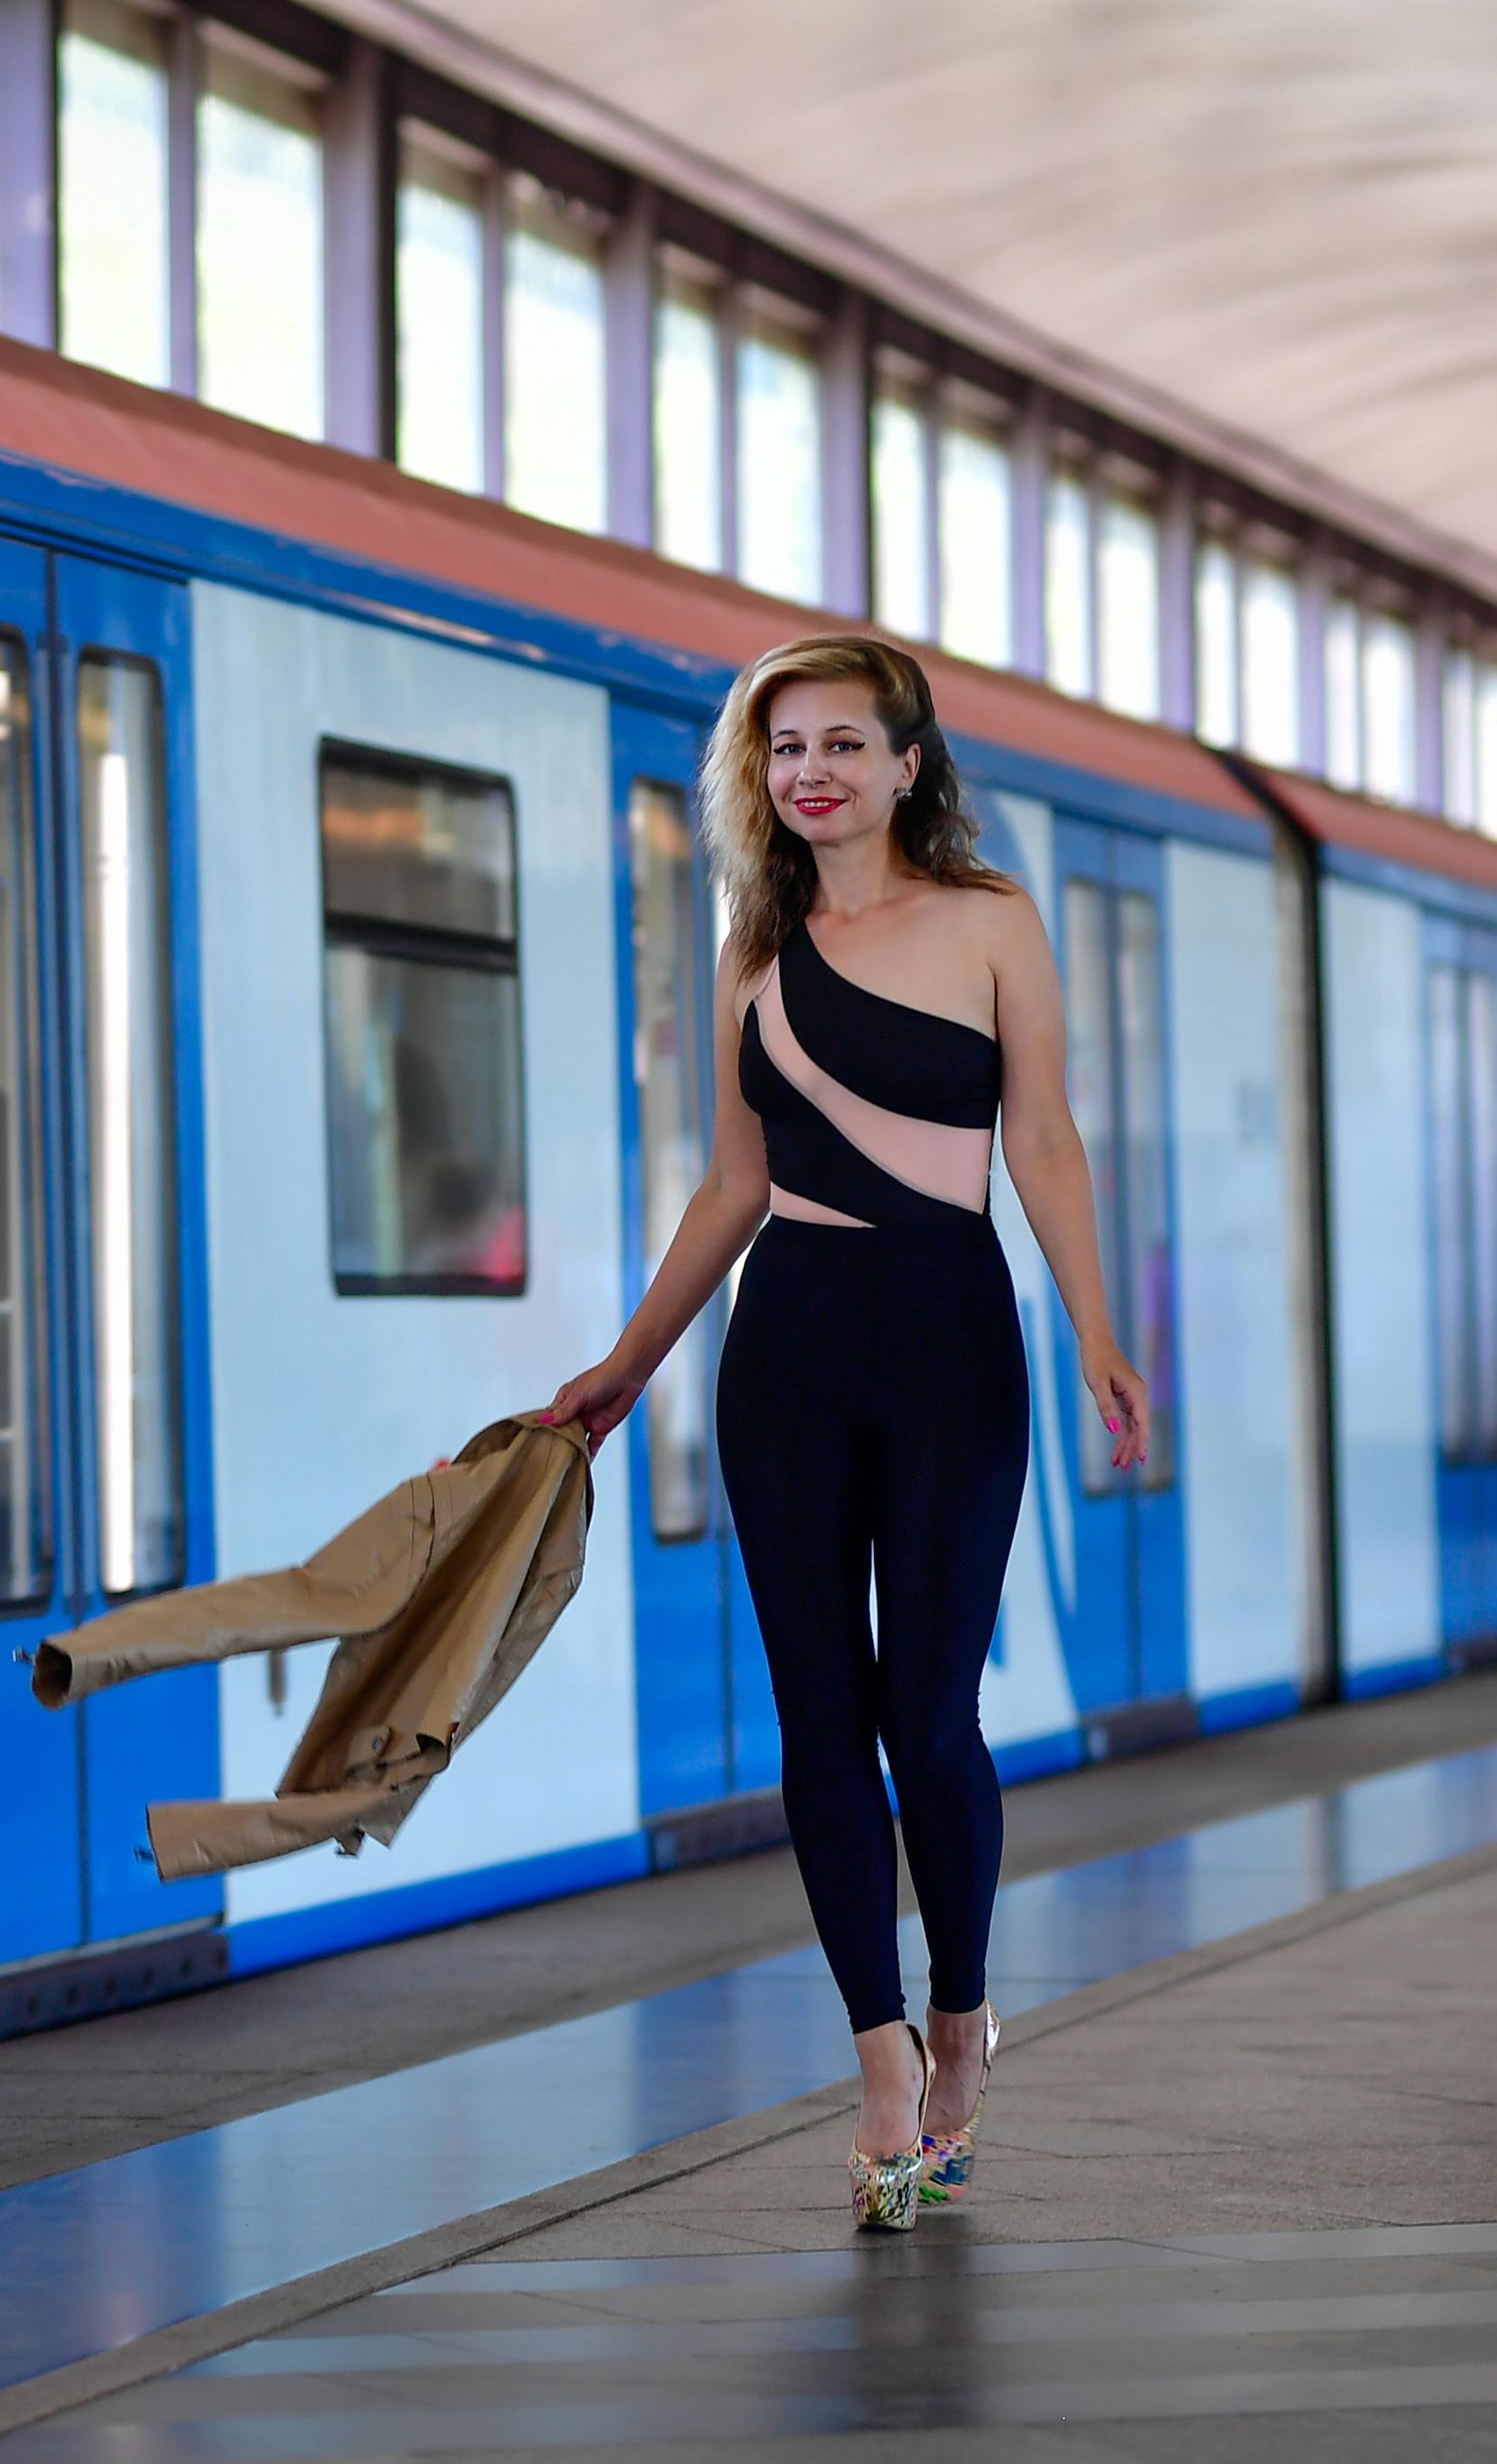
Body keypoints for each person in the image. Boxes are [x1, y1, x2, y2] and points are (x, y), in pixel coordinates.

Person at [546, 634, 1149, 2232]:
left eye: (839, 744)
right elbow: (735, 1186)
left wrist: (1094, 1329)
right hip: (789, 1348)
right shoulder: (754, 948)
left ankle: (961, 2007)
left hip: (954, 1338)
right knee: (820, 1717)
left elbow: (1046, 1138)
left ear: (905, 764)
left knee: (926, 1714)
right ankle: (879, 2054)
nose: (809, 771)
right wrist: (626, 1362)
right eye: (782, 747)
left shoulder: (992, 924)